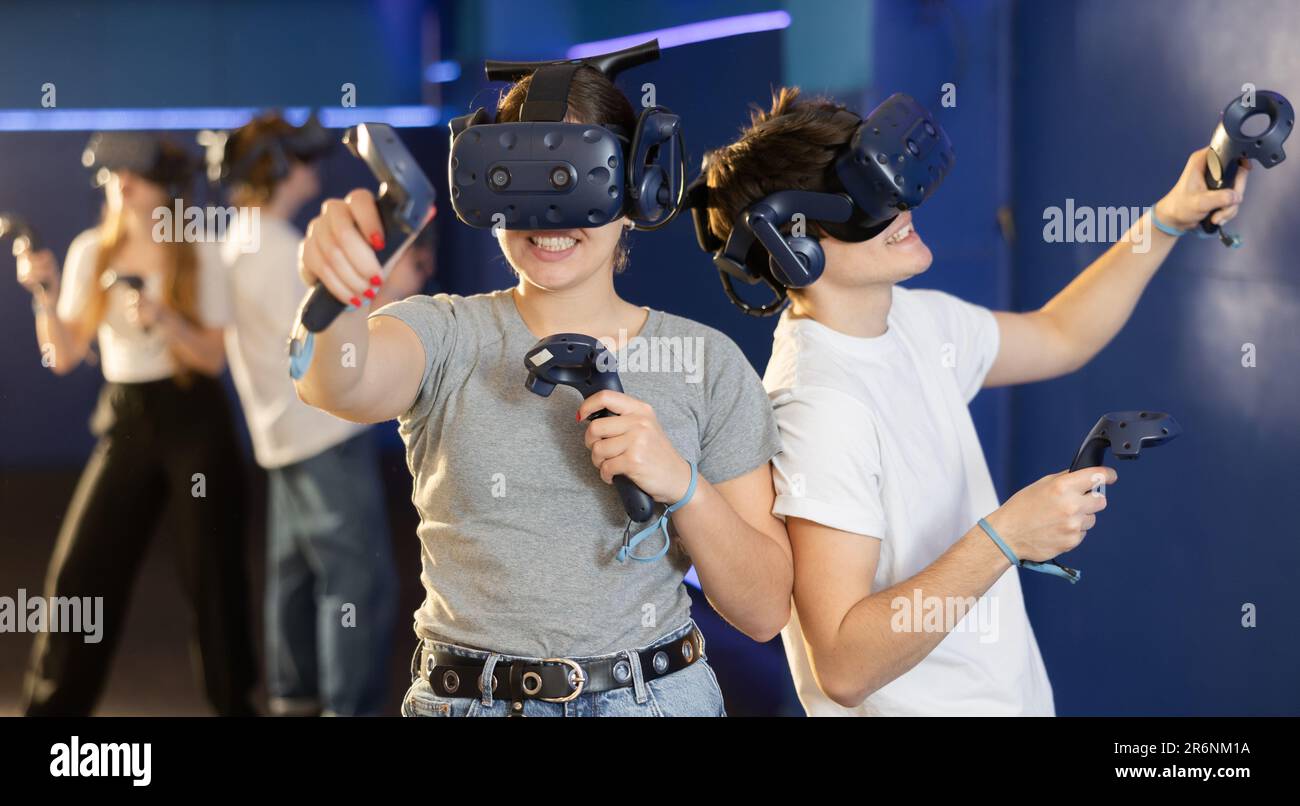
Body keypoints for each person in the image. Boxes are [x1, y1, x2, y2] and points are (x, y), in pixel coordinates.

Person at [696, 88, 1249, 716]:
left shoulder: (910, 321)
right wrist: (1005, 537)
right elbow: (843, 665)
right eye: (864, 197)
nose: (900, 203)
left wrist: (1170, 217)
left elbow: (1059, 334)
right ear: (794, 243)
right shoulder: (821, 408)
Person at [293, 66, 792, 717]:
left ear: (637, 185)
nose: (548, 214)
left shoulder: (707, 363)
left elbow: (763, 608)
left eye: (574, 178)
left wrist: (682, 483)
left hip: (653, 699)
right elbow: (335, 380)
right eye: (518, 177)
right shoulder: (445, 333)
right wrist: (337, 294)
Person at [16, 133, 256, 716]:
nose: (121, 184)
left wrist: (164, 319)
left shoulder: (197, 250)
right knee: (79, 573)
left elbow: (213, 358)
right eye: (113, 175)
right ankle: (51, 714)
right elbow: (64, 355)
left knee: (213, 579)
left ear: (167, 187)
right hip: (125, 420)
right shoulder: (88, 252)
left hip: (193, 417)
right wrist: (43, 293)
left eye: (136, 174)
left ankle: (236, 707)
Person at [215, 113, 415, 716]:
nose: (312, 168)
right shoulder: (276, 249)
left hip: (281, 434)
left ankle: (294, 697)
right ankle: (346, 708)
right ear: (276, 169)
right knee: (355, 584)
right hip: (320, 434)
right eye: (299, 159)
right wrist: (394, 285)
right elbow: (330, 331)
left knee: (297, 575)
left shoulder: (240, 239)